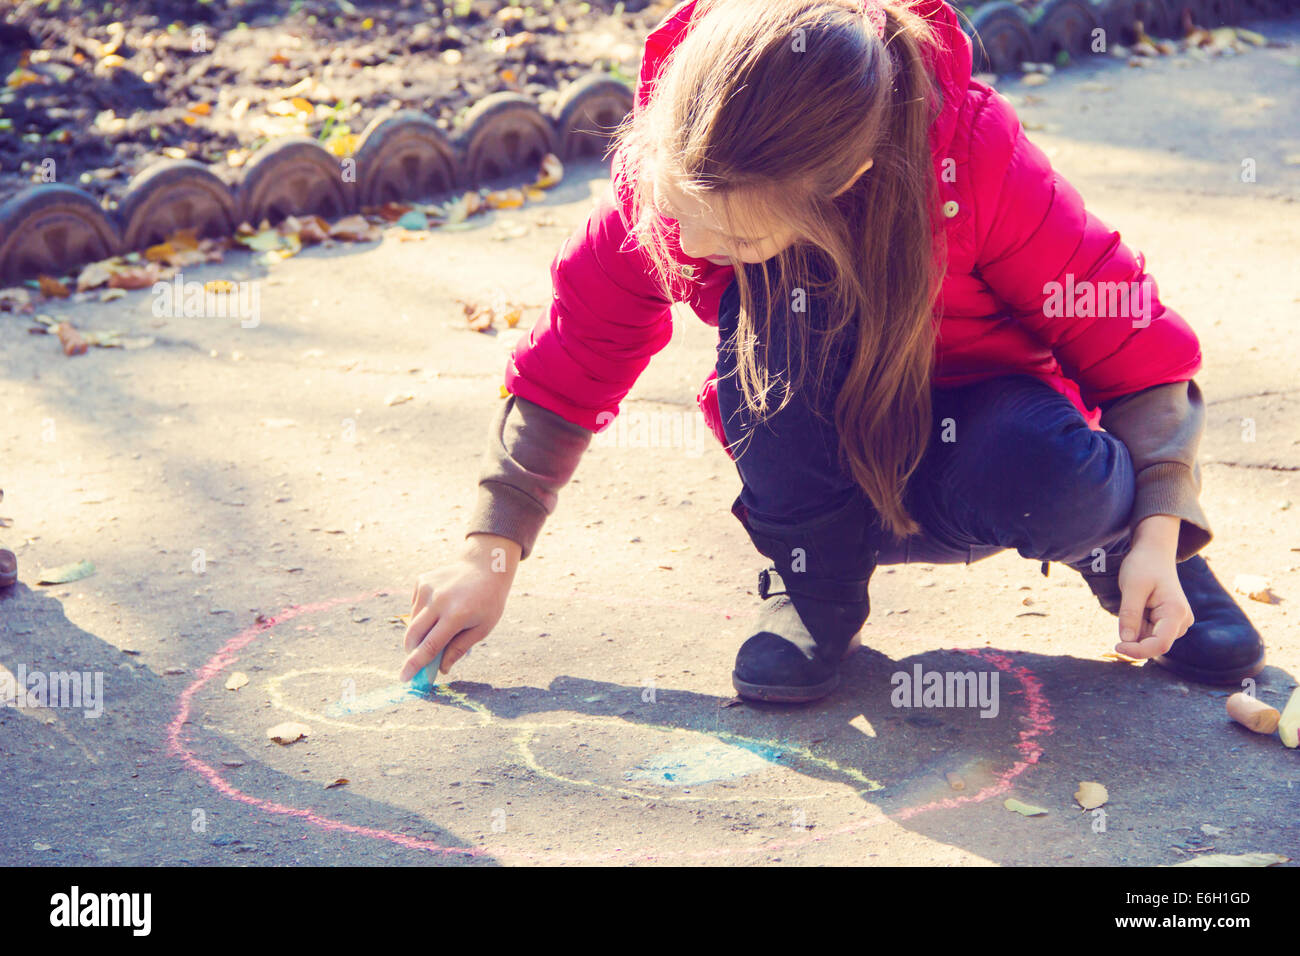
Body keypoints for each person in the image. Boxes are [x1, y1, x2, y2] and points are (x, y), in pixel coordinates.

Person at [401, 0, 1264, 702]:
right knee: (781, 312)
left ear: (845, 184)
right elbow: (574, 356)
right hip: (823, 471)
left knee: (1054, 473)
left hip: (989, 443)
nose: (688, 242)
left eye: (730, 237)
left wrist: (1159, 531)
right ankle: (816, 584)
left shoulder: (970, 154)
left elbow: (1132, 343)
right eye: (676, 211)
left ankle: (1120, 556)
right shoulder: (681, 159)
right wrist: (490, 552)